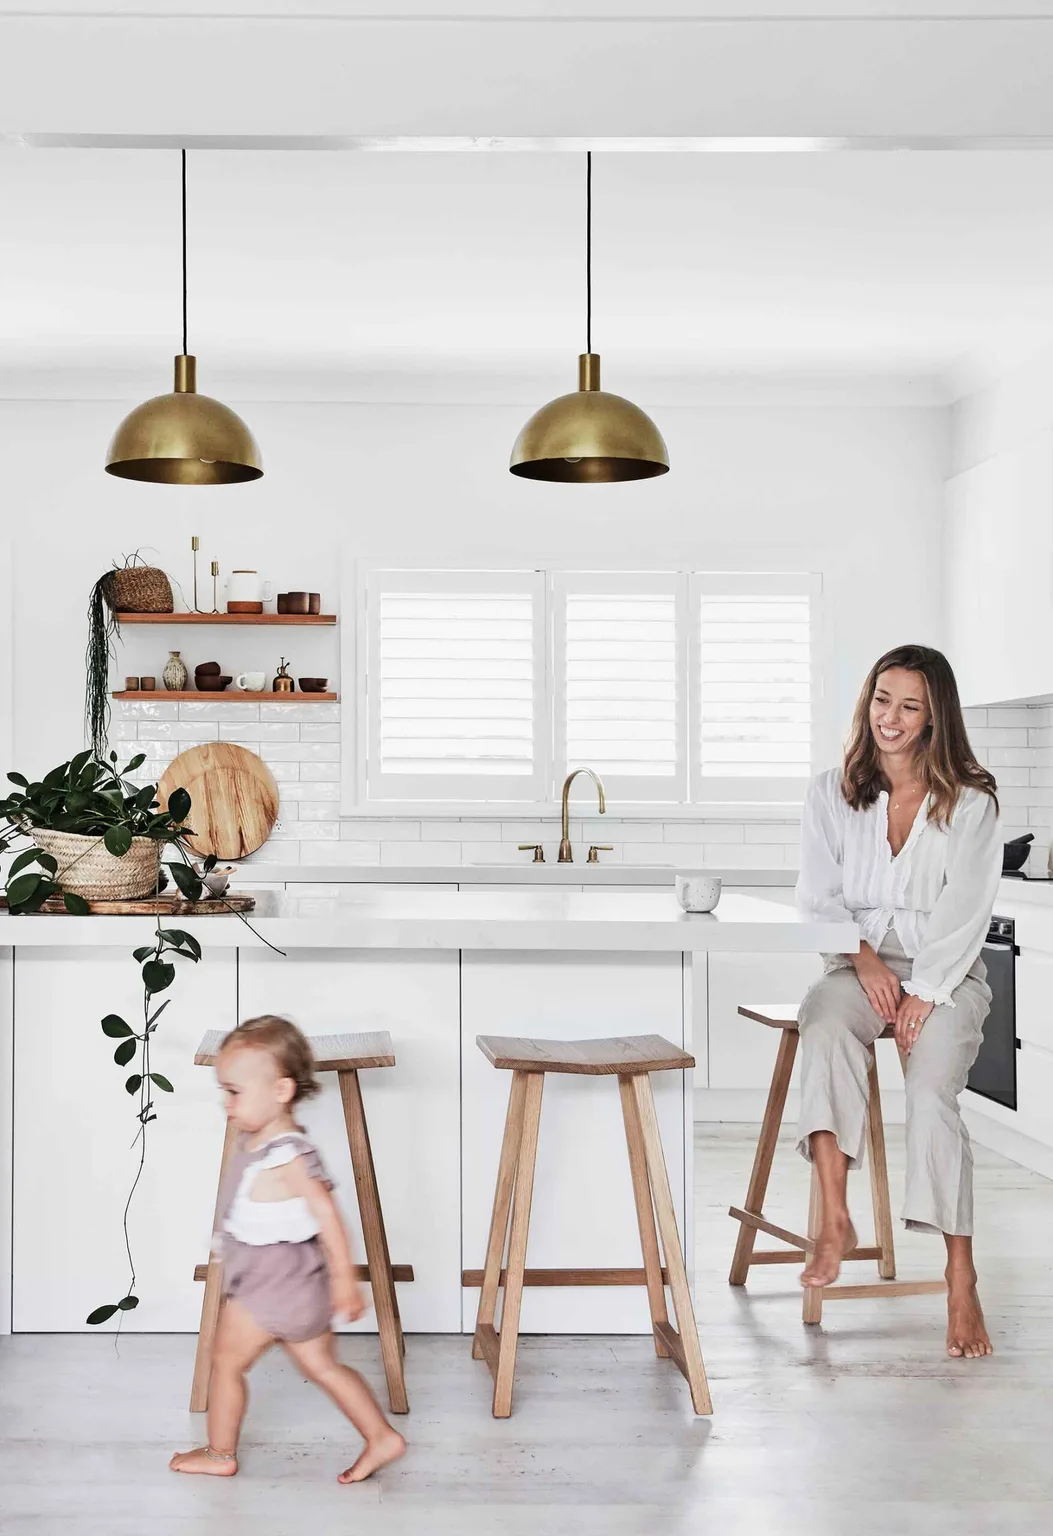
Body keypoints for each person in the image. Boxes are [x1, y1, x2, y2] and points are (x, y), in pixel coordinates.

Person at [794, 644, 1001, 1360]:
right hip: (856, 965)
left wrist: (923, 992)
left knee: (932, 1091)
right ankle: (833, 1216)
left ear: (932, 717)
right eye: (882, 699)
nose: (890, 717)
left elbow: (964, 911)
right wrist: (865, 961)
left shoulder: (969, 802)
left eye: (909, 705)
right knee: (821, 1028)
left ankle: (959, 1275)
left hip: (944, 972)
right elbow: (817, 897)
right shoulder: (830, 791)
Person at [169, 1015, 406, 1482]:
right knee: (323, 1366)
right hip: (297, 1284)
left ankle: (220, 1453)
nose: (226, 1102)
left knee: (226, 1362)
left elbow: (329, 1217)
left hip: (272, 1286)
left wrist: (345, 1281)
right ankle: (382, 1437)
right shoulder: (263, 1143)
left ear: (280, 1091)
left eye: (235, 1091)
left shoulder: (289, 1154)